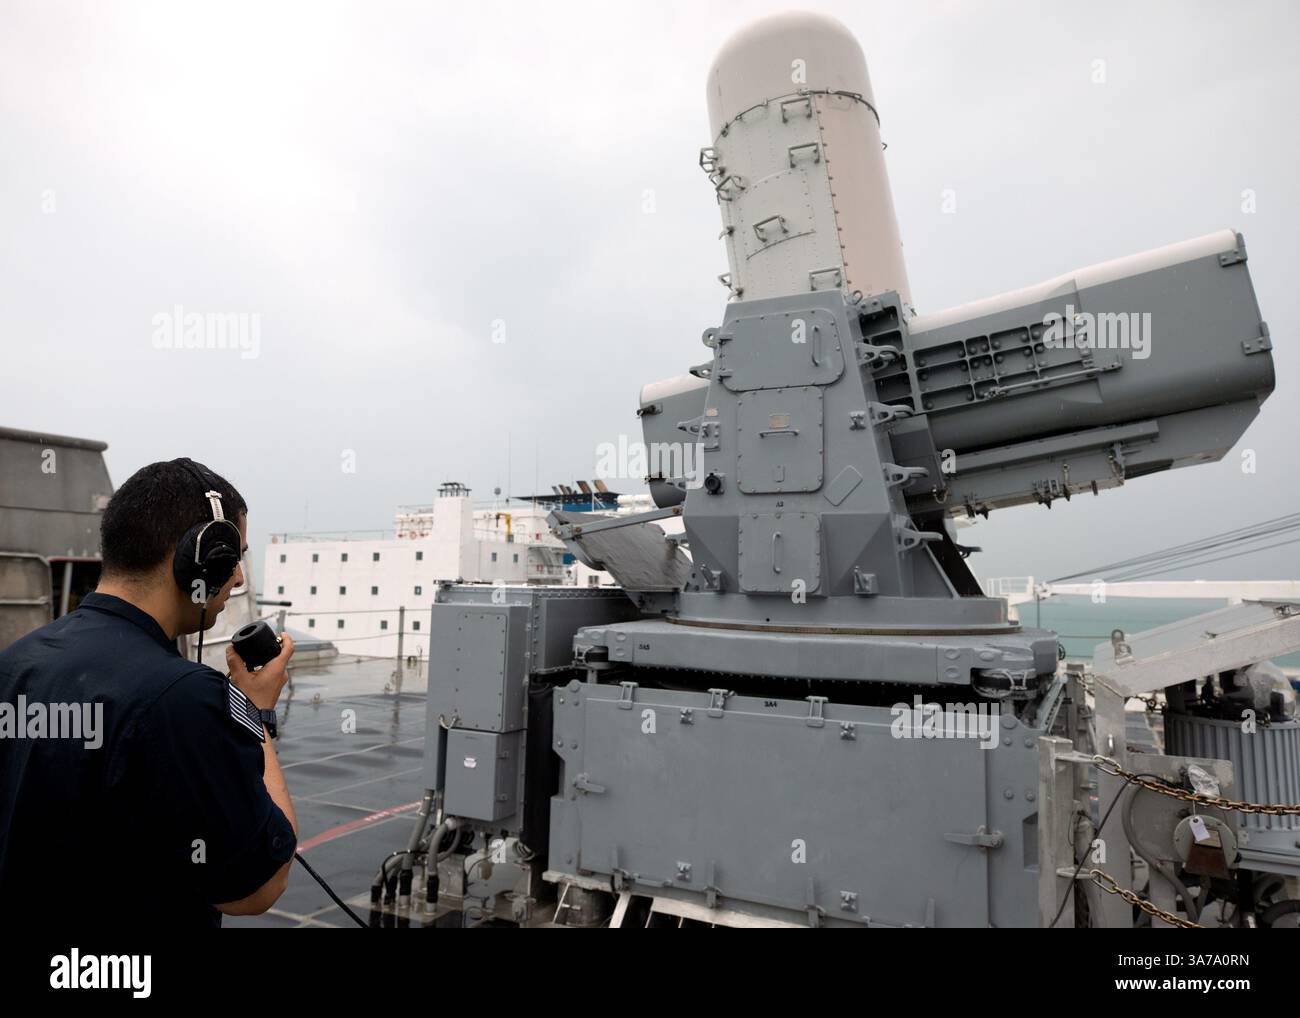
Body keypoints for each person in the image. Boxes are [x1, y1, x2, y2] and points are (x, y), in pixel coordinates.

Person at [0, 458, 297, 928]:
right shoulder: (183, 696)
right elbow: (258, 886)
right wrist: (252, 715)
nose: (237, 577)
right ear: (202, 558)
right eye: (233, 556)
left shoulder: (17, 660)